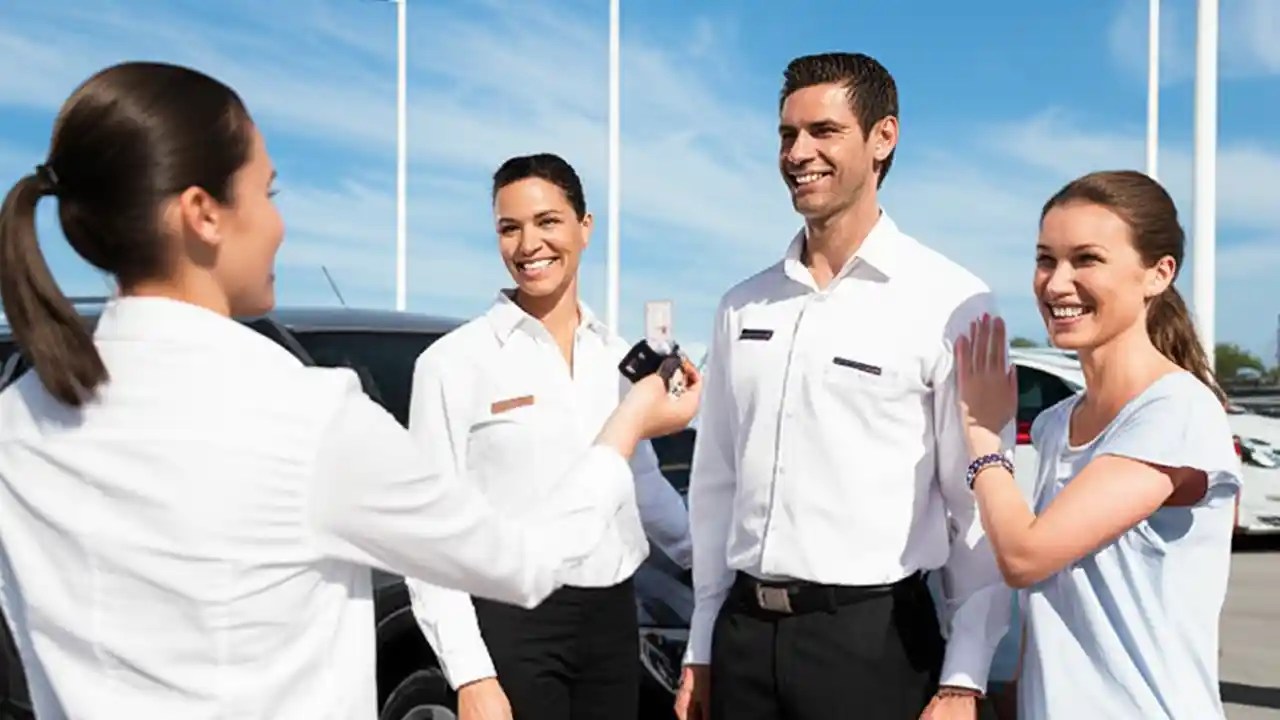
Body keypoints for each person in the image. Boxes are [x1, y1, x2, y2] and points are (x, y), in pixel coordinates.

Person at [0, 62, 700, 720]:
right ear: (203, 213)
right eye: (267, 193)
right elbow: (521, 563)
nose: (279, 225)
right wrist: (628, 424)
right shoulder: (309, 417)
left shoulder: (15, 424)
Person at [675, 51, 1011, 720]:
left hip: (874, 644)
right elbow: (714, 484)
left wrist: (964, 676)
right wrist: (702, 643)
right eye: (787, 135)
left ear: (883, 137)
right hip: (743, 640)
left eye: (823, 132)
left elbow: (975, 511)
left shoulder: (955, 302)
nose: (799, 153)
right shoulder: (742, 306)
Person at [404, 152, 694, 720]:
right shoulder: (452, 364)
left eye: (547, 221)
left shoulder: (617, 359)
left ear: (585, 228)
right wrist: (471, 676)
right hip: (510, 627)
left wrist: (712, 565)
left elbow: (641, 487)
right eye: (509, 228)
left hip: (611, 625)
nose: (527, 243)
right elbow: (428, 535)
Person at [954, 170, 1242, 719]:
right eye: (1046, 259)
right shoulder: (1056, 424)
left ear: (1158, 274)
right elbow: (1053, 600)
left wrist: (982, 436)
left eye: (1086, 259)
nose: (1058, 283)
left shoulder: (1177, 410)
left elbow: (1025, 556)